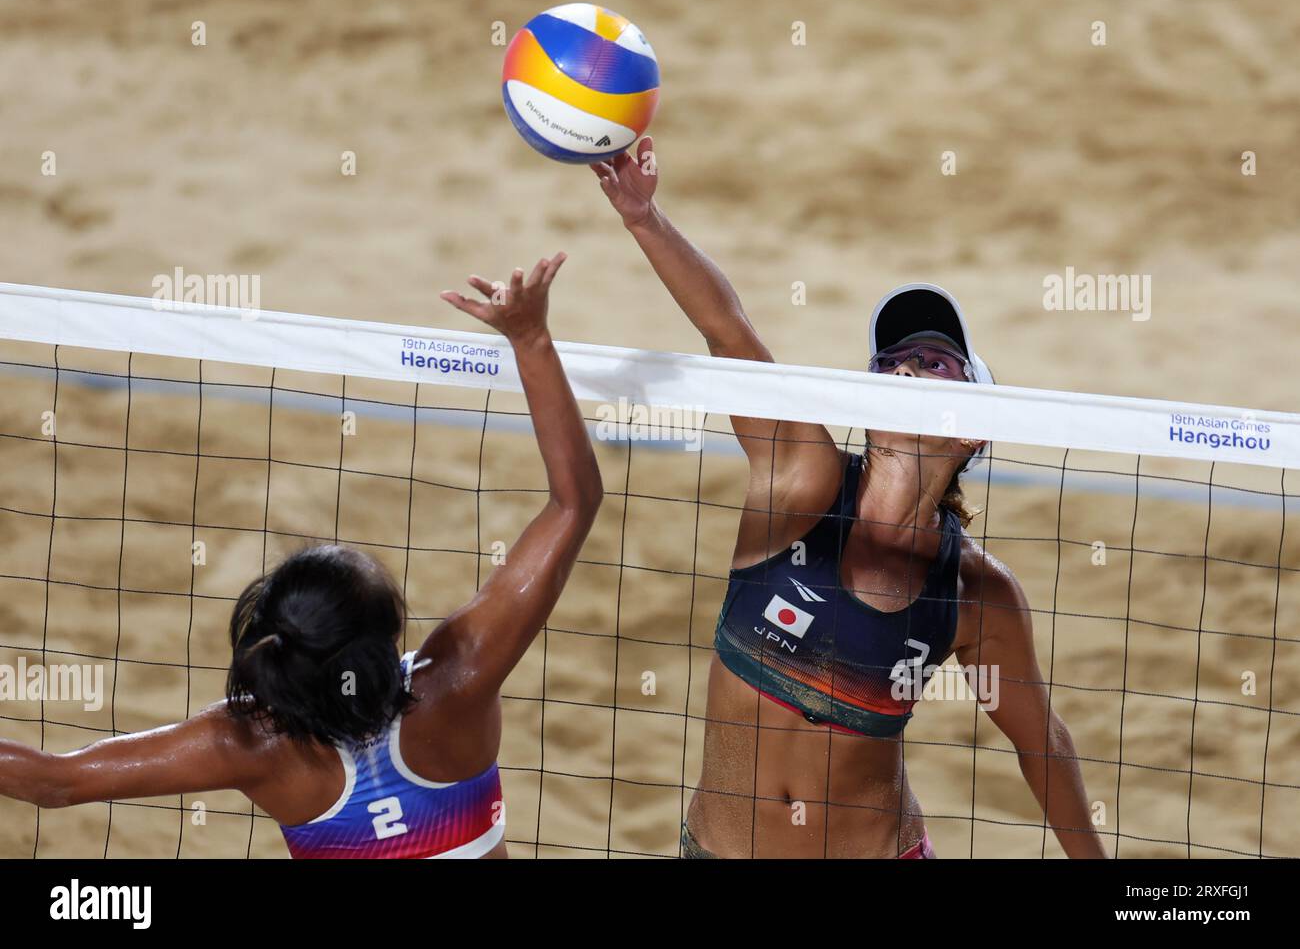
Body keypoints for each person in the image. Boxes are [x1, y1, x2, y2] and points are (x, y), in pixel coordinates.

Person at [592, 139, 1106, 858]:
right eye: (890, 360)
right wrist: (645, 219)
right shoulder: (800, 479)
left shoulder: (975, 592)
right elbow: (726, 327)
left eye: (935, 362)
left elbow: (1042, 744)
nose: (905, 367)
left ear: (975, 432)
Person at [0, 254, 603, 859]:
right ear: (384, 639)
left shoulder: (250, 743)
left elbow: (56, 780)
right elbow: (574, 503)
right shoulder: (456, 681)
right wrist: (530, 338)